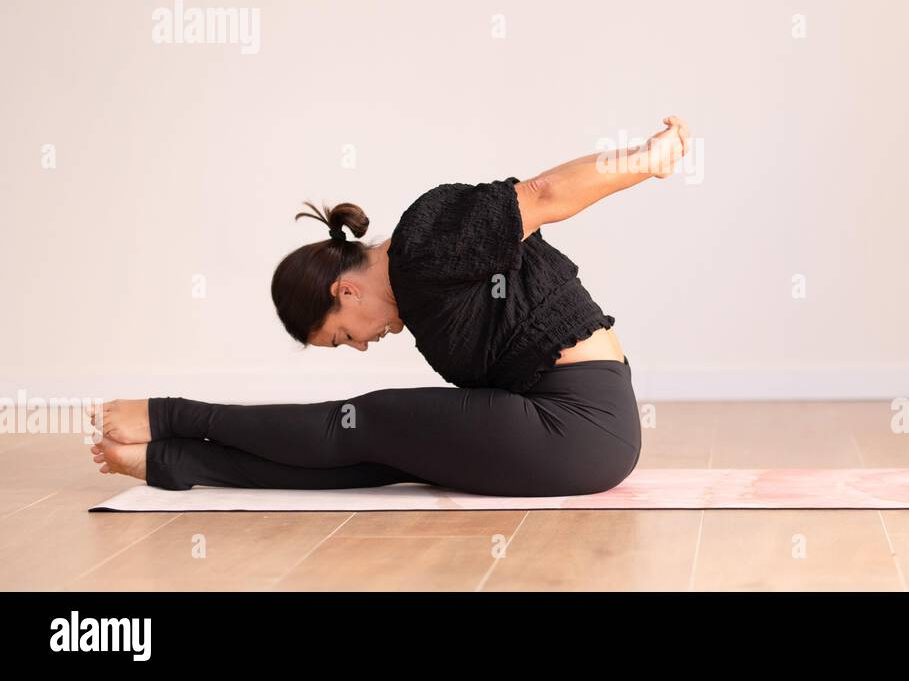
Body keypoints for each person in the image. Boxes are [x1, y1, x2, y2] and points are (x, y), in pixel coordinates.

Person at [87, 116, 691, 497]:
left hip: (580, 424)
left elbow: (542, 195)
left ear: (344, 292)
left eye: (340, 337)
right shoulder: (422, 299)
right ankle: (168, 462)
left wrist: (646, 158)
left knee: (362, 421)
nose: (361, 345)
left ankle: (170, 416)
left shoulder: (424, 243)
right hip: (560, 424)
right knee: (372, 454)